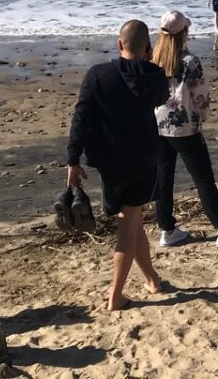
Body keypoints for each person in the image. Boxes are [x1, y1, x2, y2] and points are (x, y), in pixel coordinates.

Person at [66, 19, 170, 311]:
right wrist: (148, 63)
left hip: (110, 162)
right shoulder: (156, 76)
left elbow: (81, 118)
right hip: (144, 158)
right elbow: (162, 99)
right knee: (130, 224)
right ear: (147, 48)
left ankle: (151, 279)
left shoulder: (98, 75)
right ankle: (116, 297)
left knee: (132, 221)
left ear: (119, 44)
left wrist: (73, 159)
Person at [151, 10, 218, 249]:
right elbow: (201, 96)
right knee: (203, 179)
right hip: (185, 127)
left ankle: (167, 229)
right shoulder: (189, 61)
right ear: (184, 32)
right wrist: (203, 117)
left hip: (157, 125)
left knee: (163, 179)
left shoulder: (153, 59)